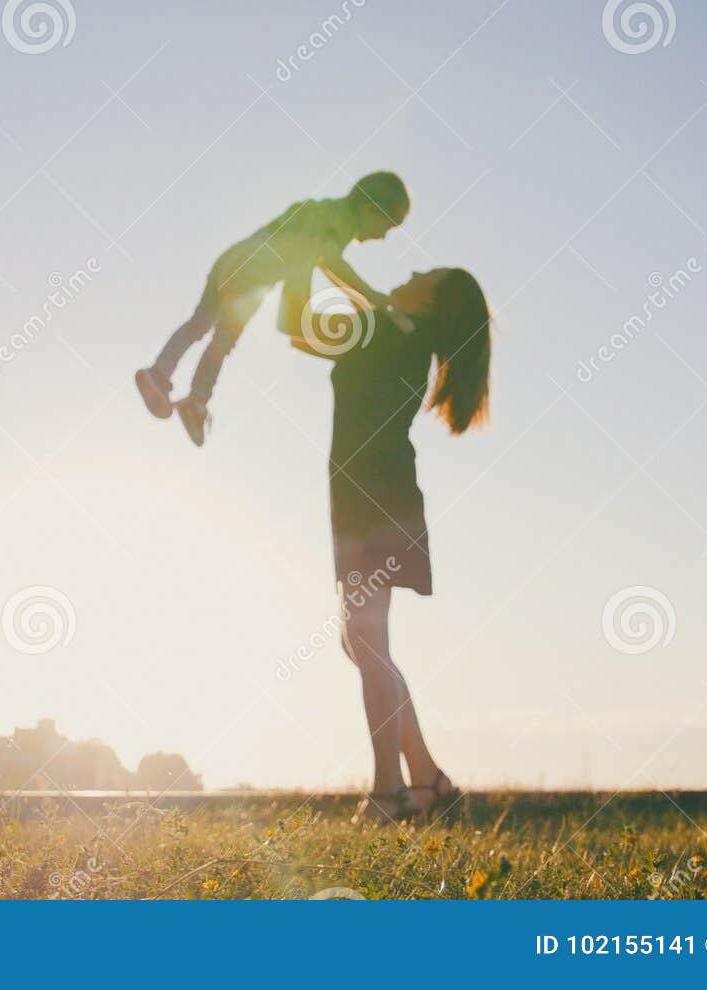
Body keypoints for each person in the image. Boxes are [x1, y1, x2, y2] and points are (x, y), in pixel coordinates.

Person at [295, 266, 491, 822]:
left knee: (367, 644)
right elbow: (309, 331)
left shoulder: (386, 329)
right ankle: (426, 779)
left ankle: (389, 793)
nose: (410, 270)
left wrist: (307, 255)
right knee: (361, 644)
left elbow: (296, 326)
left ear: (432, 298)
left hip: (371, 505)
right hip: (373, 501)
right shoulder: (395, 331)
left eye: (423, 273)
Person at [135, 172, 413, 446]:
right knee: (223, 341)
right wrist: (372, 297)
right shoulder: (342, 220)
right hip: (254, 275)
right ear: (370, 209)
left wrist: (362, 299)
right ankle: (197, 400)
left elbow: (323, 261)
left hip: (233, 257)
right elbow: (330, 262)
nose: (382, 237)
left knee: (198, 324)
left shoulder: (321, 208)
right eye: (386, 226)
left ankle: (159, 373)